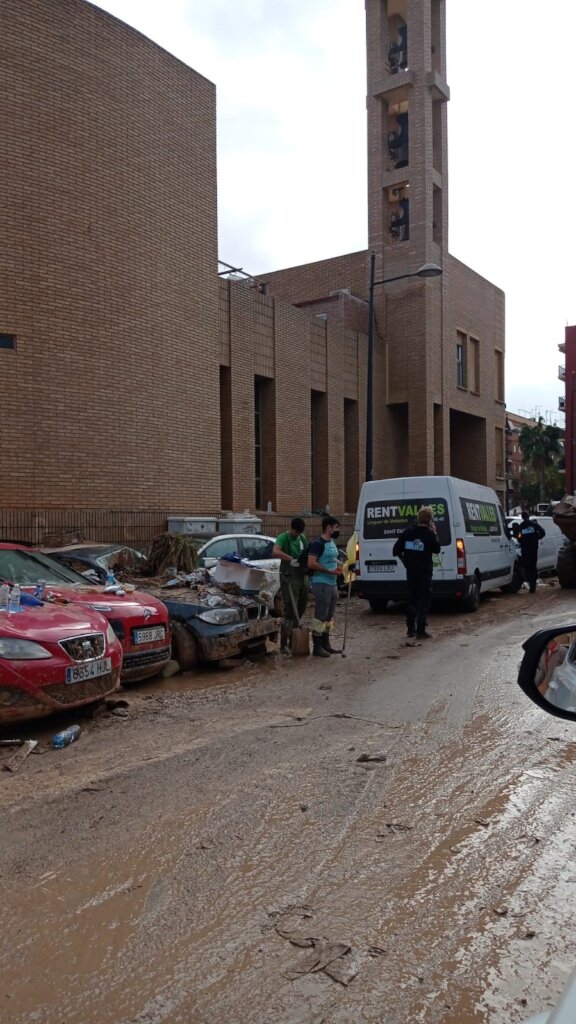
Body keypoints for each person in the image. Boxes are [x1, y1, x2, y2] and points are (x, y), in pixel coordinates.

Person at [392, 505, 441, 639]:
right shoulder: (430, 534)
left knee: (411, 600)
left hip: (411, 572)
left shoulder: (408, 532)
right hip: (425, 573)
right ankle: (421, 630)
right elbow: (437, 550)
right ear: (430, 520)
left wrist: (406, 561)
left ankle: (410, 629)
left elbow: (395, 550)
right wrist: (435, 533)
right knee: (424, 601)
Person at [307, 516, 343, 657]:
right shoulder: (317, 543)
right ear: (329, 528)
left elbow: (332, 558)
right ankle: (317, 646)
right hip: (321, 582)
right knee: (320, 615)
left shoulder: (332, 542)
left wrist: (342, 566)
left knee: (329, 615)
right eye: (336, 527)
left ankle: (326, 644)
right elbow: (311, 563)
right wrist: (330, 571)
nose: (337, 530)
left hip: (333, 582)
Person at [273, 517, 308, 651]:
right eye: (295, 532)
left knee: (300, 608)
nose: (297, 534)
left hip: (302, 577)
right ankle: (284, 644)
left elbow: (307, 552)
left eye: (299, 533)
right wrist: (290, 559)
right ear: (291, 528)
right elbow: (275, 551)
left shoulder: (302, 538)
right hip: (289, 578)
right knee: (290, 610)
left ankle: (295, 639)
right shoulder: (284, 537)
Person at [512, 511, 545, 593]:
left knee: (527, 567)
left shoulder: (521, 526)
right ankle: (533, 584)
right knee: (533, 566)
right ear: (528, 516)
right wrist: (537, 537)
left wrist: (522, 540)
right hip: (533, 549)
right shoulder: (533, 525)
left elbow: (518, 537)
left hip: (525, 549)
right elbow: (543, 532)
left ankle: (531, 584)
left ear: (522, 517)